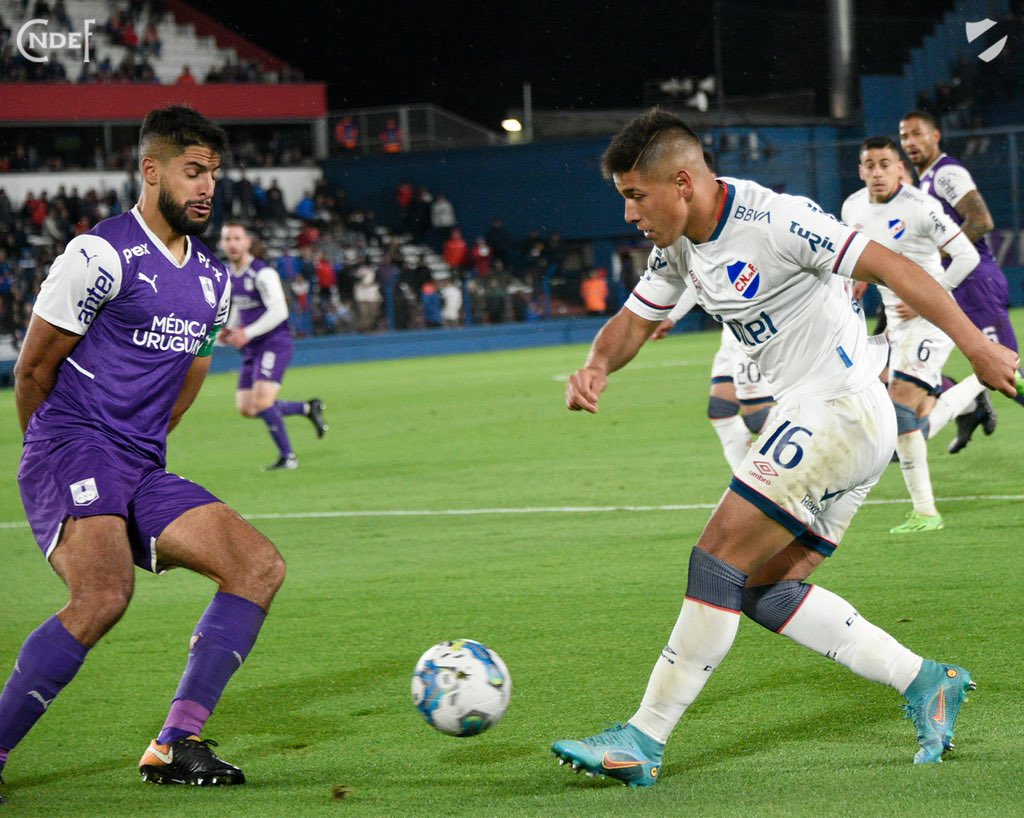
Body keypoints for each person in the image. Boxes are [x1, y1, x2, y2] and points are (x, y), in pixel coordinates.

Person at [552, 108, 1018, 787]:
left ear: (681, 181)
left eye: (634, 195)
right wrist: (596, 366)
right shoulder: (678, 244)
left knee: (717, 560)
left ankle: (642, 740)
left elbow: (887, 264)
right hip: (826, 420)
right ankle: (925, 681)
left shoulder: (774, 220)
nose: (628, 212)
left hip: (838, 410)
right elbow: (632, 320)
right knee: (766, 589)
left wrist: (976, 345)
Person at [0, 106, 289, 806]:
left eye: (214, 175)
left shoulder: (215, 282)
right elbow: (33, 370)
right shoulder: (99, 255)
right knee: (102, 595)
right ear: (151, 170)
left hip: (140, 462)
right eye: (193, 172)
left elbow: (189, 379)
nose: (206, 188)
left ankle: (175, 743)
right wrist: (55, 458)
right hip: (72, 443)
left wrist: (142, 457)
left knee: (257, 565)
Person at [842, 137, 985, 533]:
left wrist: (928, 301)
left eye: (884, 164)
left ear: (899, 169)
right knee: (912, 427)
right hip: (895, 323)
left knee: (899, 412)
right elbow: (858, 258)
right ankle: (976, 386)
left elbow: (966, 257)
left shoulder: (920, 207)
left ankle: (926, 512)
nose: (876, 172)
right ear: (860, 170)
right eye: (869, 164)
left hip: (931, 321)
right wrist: (859, 282)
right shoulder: (852, 207)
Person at [899, 110, 1024, 451]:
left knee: (1007, 375)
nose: (910, 142)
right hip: (947, 287)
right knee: (907, 364)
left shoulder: (945, 173)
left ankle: (971, 403)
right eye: (904, 136)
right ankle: (969, 404)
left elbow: (981, 220)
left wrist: (936, 259)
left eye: (916, 134)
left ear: (935, 135)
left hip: (972, 282)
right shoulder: (921, 184)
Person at [218, 221, 327, 471]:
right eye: (227, 239)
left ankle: (288, 457)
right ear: (222, 244)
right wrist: (229, 331)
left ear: (247, 242)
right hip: (250, 347)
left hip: (273, 343)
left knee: (263, 401)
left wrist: (247, 332)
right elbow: (239, 307)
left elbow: (279, 310)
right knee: (246, 408)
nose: (232, 244)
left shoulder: (262, 273)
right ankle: (307, 408)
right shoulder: (229, 275)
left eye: (237, 238)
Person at [652, 288, 776, 470]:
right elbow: (698, 279)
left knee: (757, 417)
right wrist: (672, 316)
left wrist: (672, 316)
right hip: (731, 331)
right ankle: (750, 486)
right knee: (721, 410)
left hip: (753, 328)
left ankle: (824, 441)